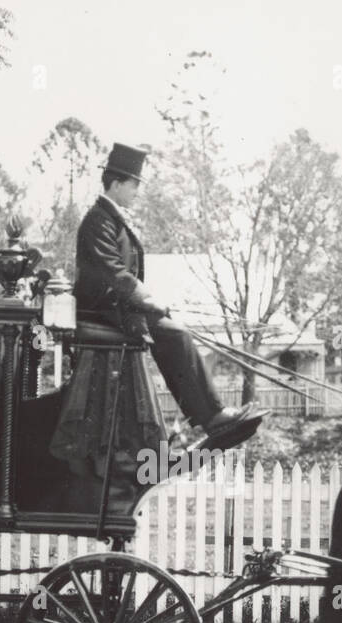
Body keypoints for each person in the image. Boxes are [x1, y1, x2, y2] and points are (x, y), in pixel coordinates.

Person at [72, 143, 265, 449]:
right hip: (101, 309)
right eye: (135, 185)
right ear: (118, 183)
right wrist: (149, 300)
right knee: (176, 335)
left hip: (117, 307)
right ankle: (211, 416)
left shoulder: (110, 216)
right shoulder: (98, 219)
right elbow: (113, 271)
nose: (137, 191)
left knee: (174, 332)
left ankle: (208, 414)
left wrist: (151, 302)